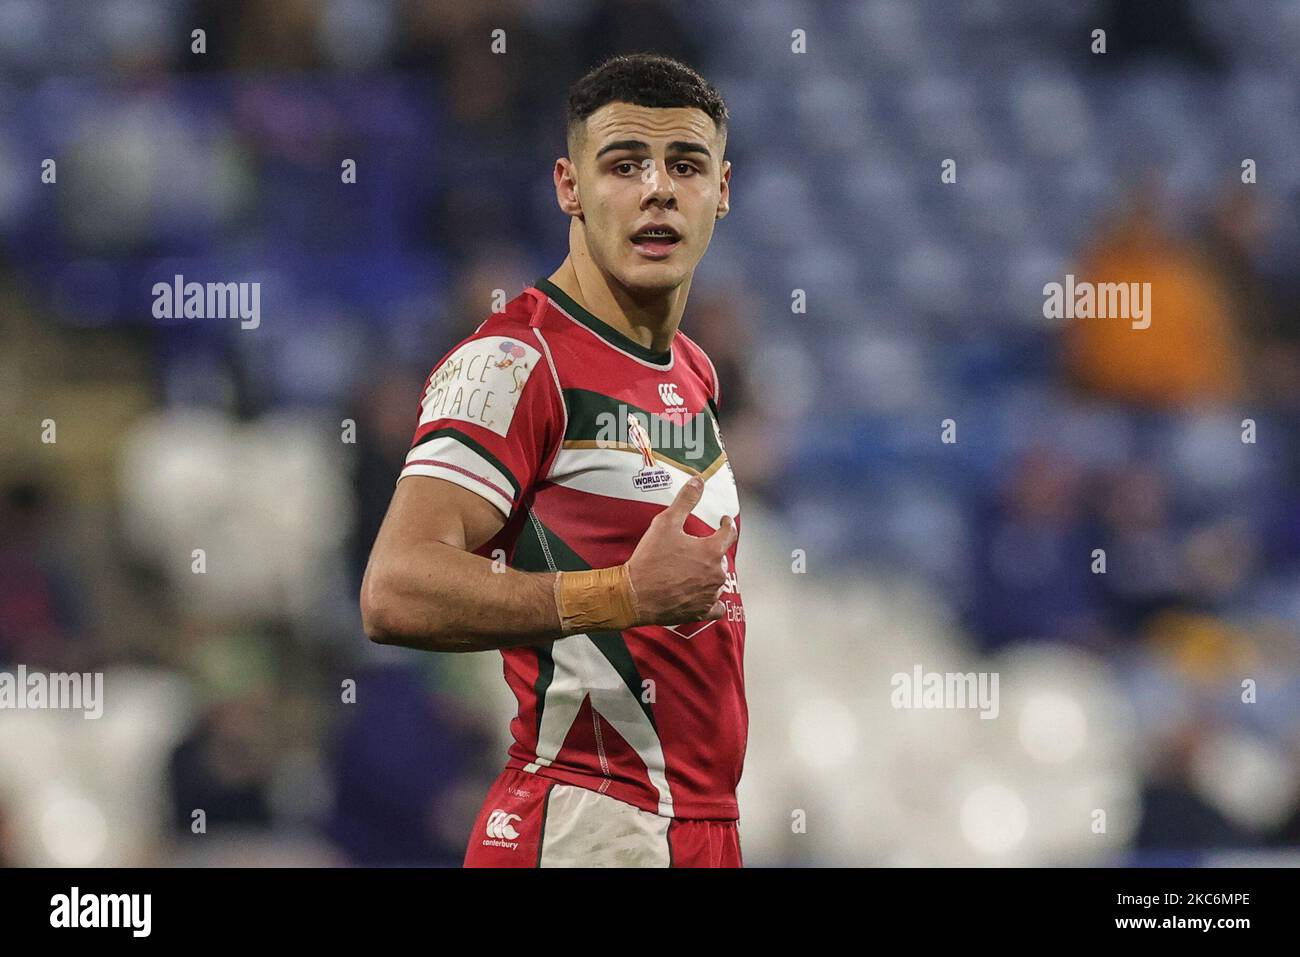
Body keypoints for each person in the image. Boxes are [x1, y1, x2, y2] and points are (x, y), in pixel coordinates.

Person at [360, 53, 745, 867]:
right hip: (583, 821)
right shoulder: (513, 359)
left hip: (699, 827)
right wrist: (624, 594)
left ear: (723, 190)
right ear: (568, 187)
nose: (658, 190)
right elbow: (393, 590)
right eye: (623, 165)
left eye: (685, 165)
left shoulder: (693, 371)